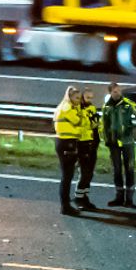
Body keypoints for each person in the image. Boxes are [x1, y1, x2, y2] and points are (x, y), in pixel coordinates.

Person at [101, 81, 136, 207]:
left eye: (119, 91)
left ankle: (129, 199)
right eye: (115, 91)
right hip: (113, 143)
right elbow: (104, 125)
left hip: (127, 142)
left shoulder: (127, 103)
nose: (118, 93)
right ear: (110, 92)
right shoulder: (106, 107)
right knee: (116, 170)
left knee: (130, 169)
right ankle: (119, 196)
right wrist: (106, 140)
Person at [53, 85, 83, 216]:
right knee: (67, 176)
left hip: (62, 142)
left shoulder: (61, 107)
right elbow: (78, 122)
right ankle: (65, 206)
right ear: (70, 97)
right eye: (76, 98)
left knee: (67, 176)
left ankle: (66, 204)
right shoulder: (68, 108)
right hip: (67, 143)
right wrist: (80, 111)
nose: (79, 100)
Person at [74, 87, 101, 211]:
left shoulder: (92, 108)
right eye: (87, 97)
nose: (89, 100)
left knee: (89, 174)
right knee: (84, 173)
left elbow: (96, 126)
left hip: (92, 144)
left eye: (91, 97)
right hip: (82, 144)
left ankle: (85, 197)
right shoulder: (77, 109)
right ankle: (78, 198)